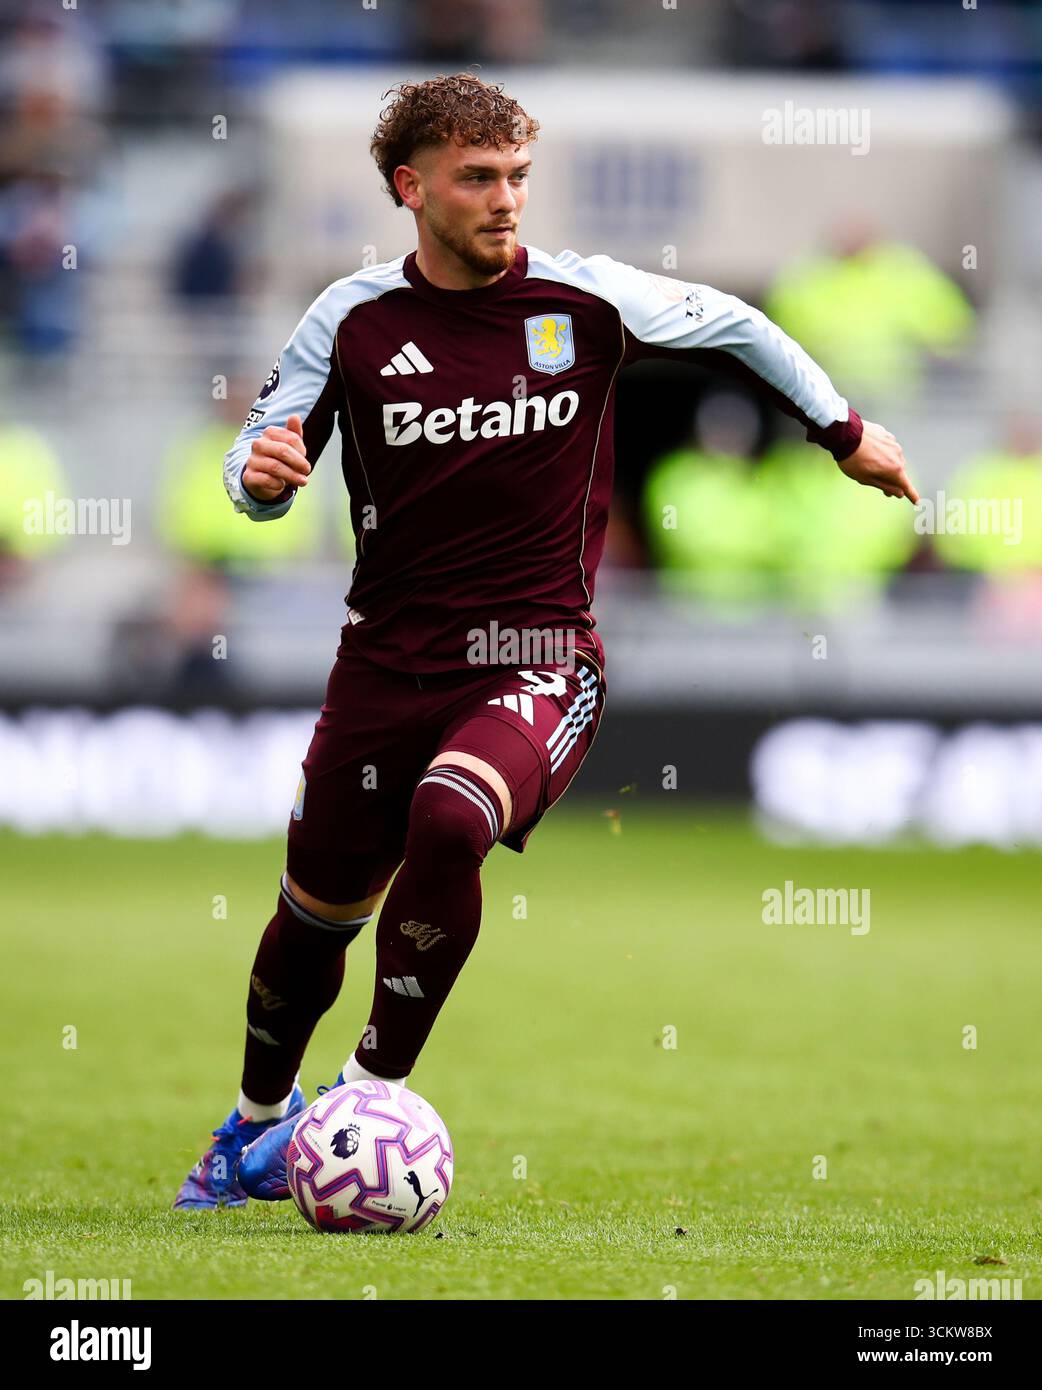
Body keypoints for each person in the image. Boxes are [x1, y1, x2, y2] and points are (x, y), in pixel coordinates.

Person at [174, 73, 917, 1210]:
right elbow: (263, 454)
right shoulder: (351, 318)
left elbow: (742, 325)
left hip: (539, 651)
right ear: (409, 188)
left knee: (448, 815)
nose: (505, 199)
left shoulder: (590, 299)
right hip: (382, 662)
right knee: (309, 919)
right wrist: (258, 480)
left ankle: (367, 1091)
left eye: (518, 175)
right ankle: (255, 1127)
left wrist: (843, 430)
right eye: (478, 178)